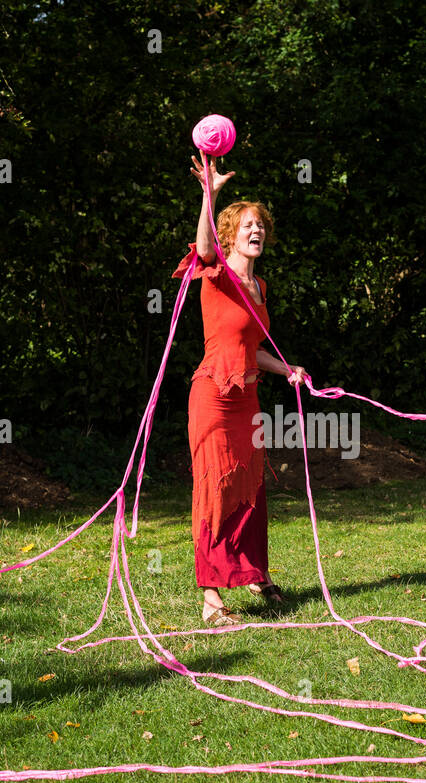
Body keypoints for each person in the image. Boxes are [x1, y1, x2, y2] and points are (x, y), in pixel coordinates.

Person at [173, 154, 306, 626]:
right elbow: (204, 244)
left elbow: (250, 350)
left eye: (262, 227)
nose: (258, 232)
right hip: (212, 396)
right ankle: (211, 600)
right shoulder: (216, 272)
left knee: (251, 490)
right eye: (249, 226)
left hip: (247, 397)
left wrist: (285, 368)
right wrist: (209, 192)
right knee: (214, 491)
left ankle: (253, 573)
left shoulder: (259, 285)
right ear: (232, 234)